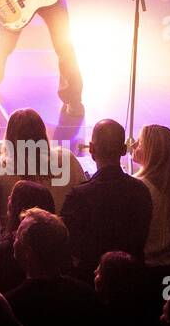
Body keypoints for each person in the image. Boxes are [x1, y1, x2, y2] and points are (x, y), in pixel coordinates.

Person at [60, 119, 153, 277]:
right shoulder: (141, 191)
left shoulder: (78, 197)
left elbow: (69, 245)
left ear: (92, 149)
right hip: (133, 280)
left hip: (89, 282)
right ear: (124, 150)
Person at [133, 124, 170, 276]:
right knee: (167, 299)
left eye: (139, 142)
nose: (133, 145)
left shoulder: (138, 186)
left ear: (151, 151)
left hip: (144, 268)